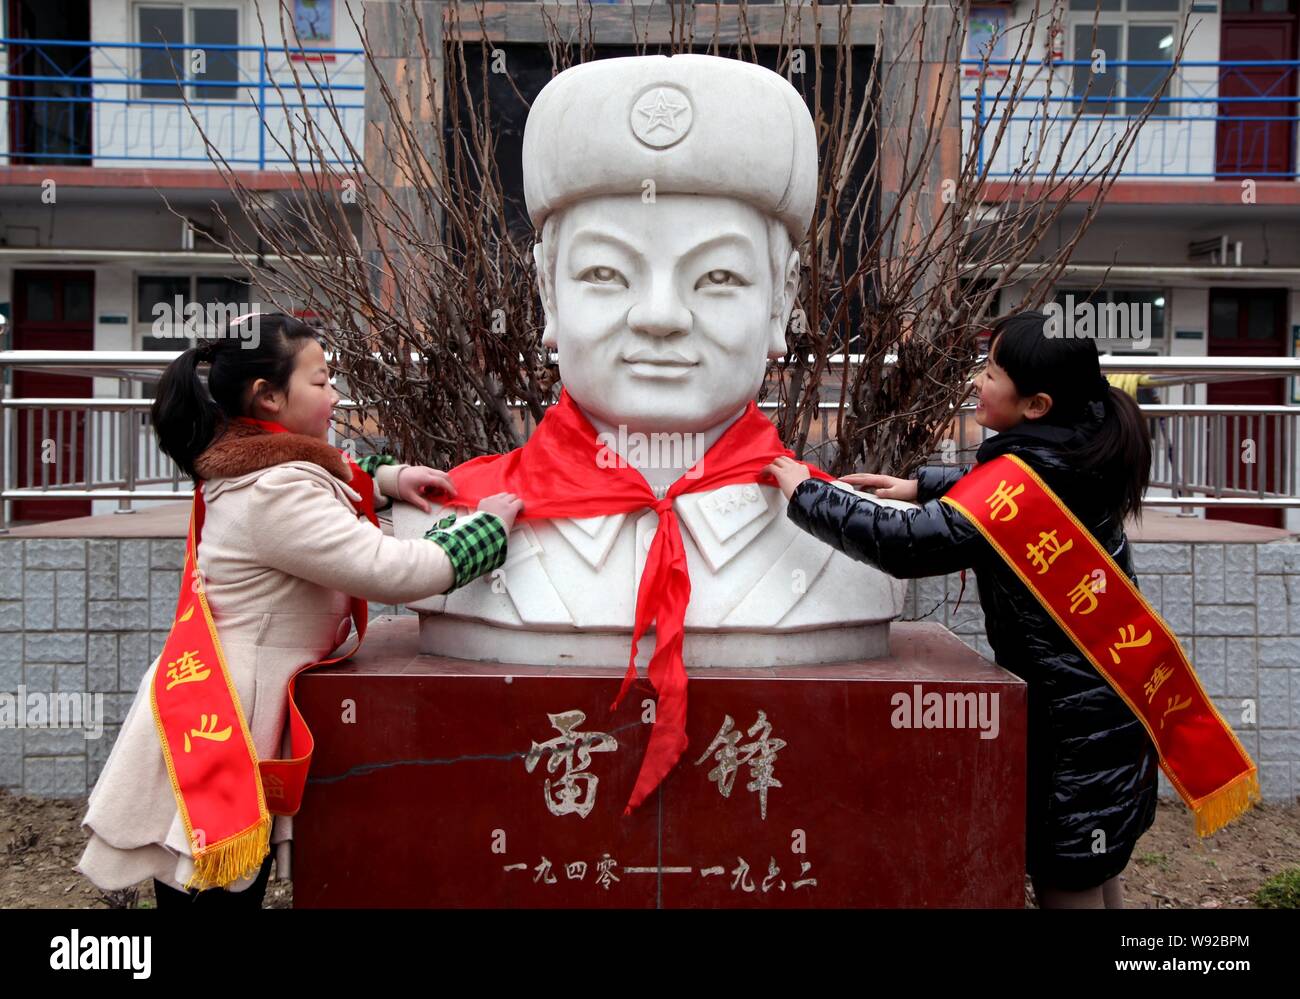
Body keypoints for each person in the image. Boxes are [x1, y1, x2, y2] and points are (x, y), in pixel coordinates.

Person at [75, 313, 522, 908]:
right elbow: (391, 570)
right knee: (218, 892)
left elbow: (323, 479)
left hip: (218, 699)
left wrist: (388, 478)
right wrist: (488, 529)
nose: (336, 396)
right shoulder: (275, 492)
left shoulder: (252, 466)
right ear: (268, 396)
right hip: (229, 723)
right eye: (322, 381)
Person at [764, 310, 1162, 909]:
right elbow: (1008, 482)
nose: (978, 380)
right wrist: (925, 485)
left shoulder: (1026, 484)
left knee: (1068, 876)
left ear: (1036, 405)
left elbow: (907, 545)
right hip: (1113, 702)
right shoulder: (1086, 441)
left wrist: (806, 492)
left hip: (1071, 727)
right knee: (1097, 865)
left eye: (993, 372)